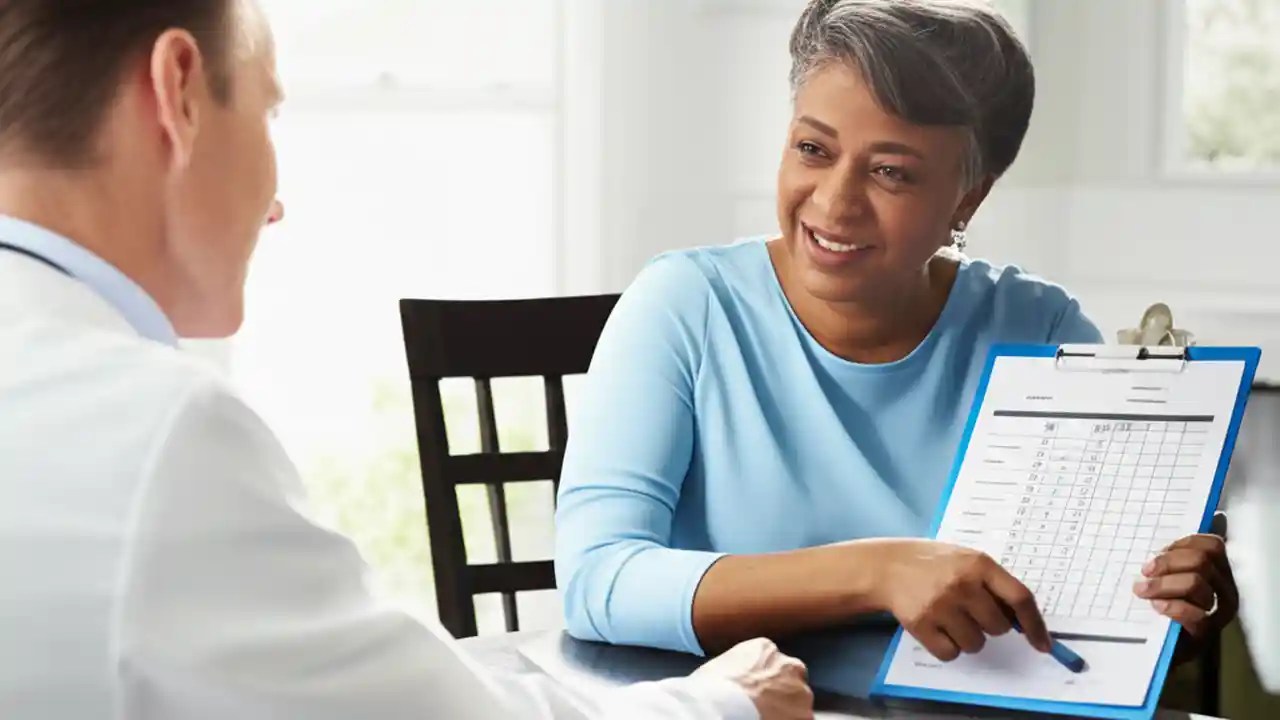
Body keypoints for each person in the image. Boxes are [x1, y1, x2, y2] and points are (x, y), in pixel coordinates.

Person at [0, 1, 814, 718]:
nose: (275, 205)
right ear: (178, 89)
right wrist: (721, 703)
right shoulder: (156, 436)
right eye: (266, 110)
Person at [555, 0, 1238, 668]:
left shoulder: (1041, 330)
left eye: (891, 172)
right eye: (813, 149)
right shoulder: (686, 306)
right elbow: (598, 581)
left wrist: (1177, 605)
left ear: (968, 197)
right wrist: (877, 572)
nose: (834, 202)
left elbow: (1089, 618)